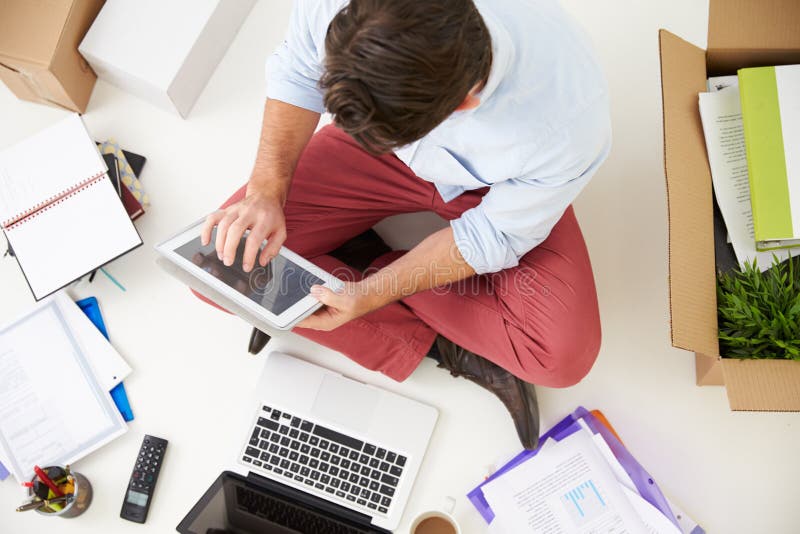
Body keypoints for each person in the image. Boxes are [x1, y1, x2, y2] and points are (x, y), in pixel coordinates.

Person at [198, 0, 611, 450]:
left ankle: (362, 267)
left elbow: (492, 236)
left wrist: (376, 290)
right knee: (216, 267)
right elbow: (297, 70)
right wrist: (265, 191)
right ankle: (430, 338)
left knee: (561, 357)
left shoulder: (567, 118)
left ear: (465, 102)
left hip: (497, 192)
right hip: (377, 142)